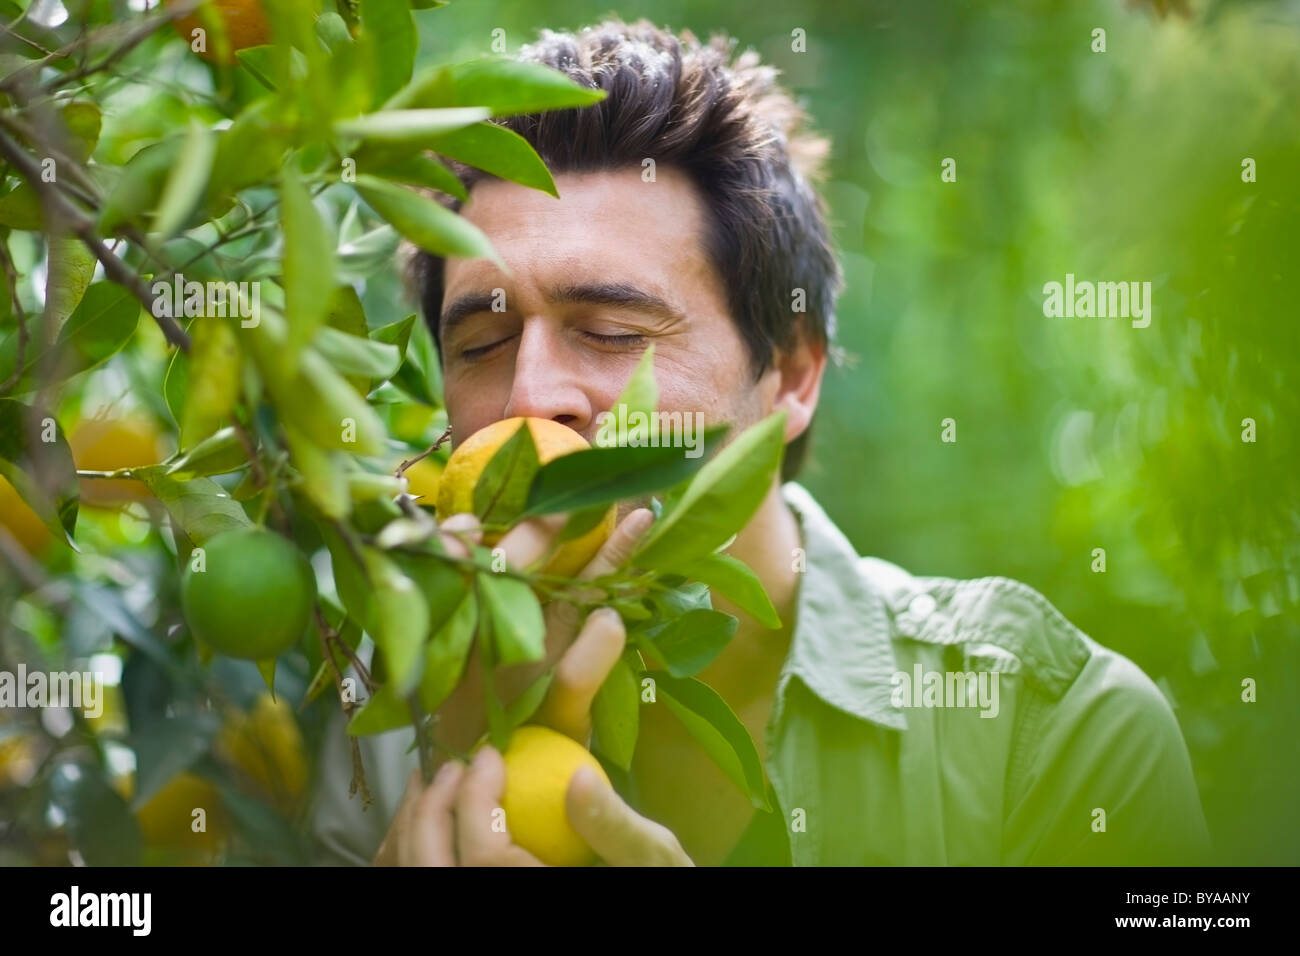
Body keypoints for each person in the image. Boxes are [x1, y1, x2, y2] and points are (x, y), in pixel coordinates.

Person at [310, 18, 1211, 866]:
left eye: (615, 332)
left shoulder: (1047, 739)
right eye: (482, 345)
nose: (532, 397)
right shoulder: (375, 740)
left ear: (792, 376)